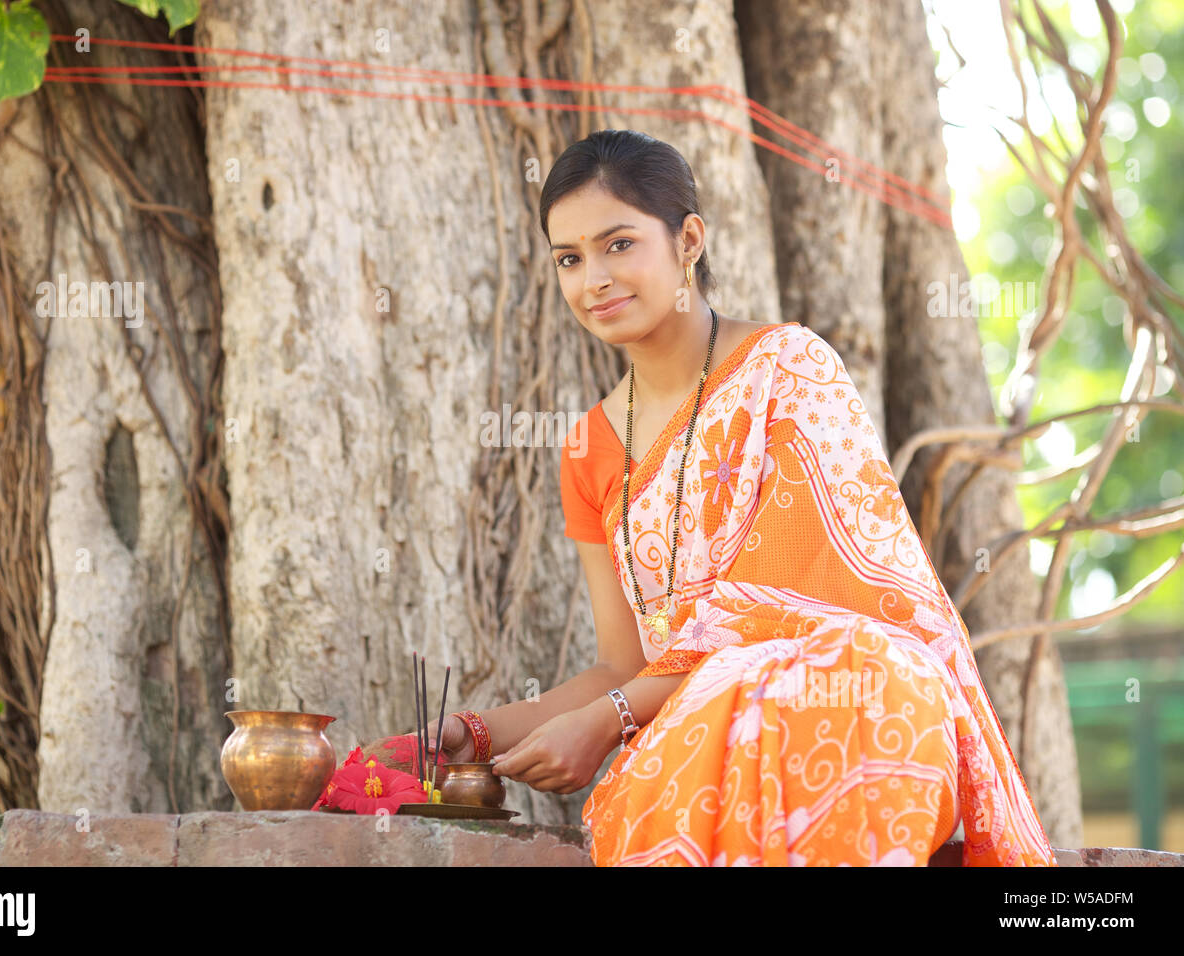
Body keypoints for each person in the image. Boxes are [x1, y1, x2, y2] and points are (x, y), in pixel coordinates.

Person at [428, 128, 1056, 867]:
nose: (593, 278)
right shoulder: (586, 449)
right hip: (694, 731)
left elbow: (837, 604)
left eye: (619, 244)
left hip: (846, 699)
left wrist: (615, 716)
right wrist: (470, 735)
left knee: (844, 681)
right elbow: (619, 667)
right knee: (719, 713)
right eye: (569, 258)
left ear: (688, 239)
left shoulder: (790, 369)